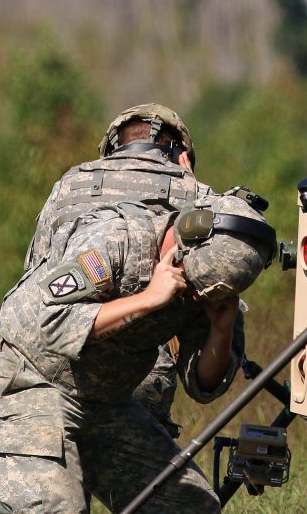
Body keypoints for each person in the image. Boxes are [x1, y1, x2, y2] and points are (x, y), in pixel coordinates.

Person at [0, 191, 276, 513]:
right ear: (183, 239)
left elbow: (204, 386)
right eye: (189, 283)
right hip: (31, 381)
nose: (194, 297)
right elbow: (52, 324)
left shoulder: (212, 282)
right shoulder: (116, 240)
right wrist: (149, 298)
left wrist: (221, 329)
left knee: (191, 507)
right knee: (57, 509)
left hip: (106, 403)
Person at [25, 103, 213, 434]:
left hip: (51, 370)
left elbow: (33, 277)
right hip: (139, 378)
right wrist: (195, 191)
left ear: (114, 145)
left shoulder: (69, 184)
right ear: (177, 150)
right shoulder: (196, 197)